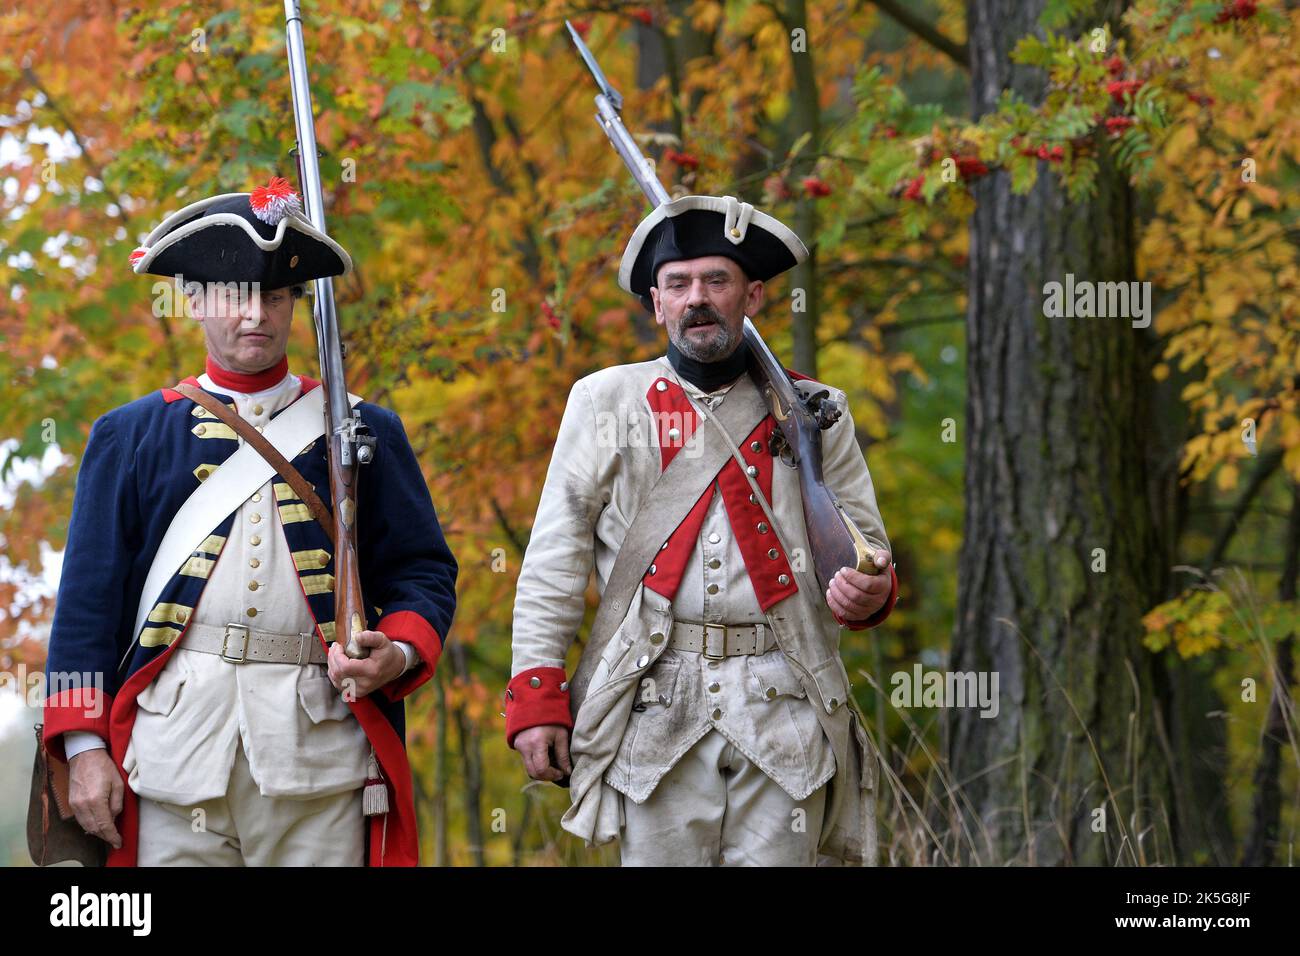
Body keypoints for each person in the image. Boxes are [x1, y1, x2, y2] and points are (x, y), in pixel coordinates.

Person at [41, 176, 458, 866]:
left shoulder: (359, 429)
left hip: (319, 757)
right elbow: (86, 609)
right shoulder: (131, 435)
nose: (253, 316)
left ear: (295, 301)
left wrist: (399, 651)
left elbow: (422, 571)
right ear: (196, 301)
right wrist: (85, 750)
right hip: (174, 757)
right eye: (232, 296)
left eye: (271, 295)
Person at [505, 194, 898, 865]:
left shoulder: (816, 408)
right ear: (656, 304)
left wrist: (869, 588)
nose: (697, 299)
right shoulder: (603, 401)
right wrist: (537, 692)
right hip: (653, 706)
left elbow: (867, 550)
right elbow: (555, 560)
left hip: (785, 700)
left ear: (755, 295)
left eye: (716, 280)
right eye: (678, 285)